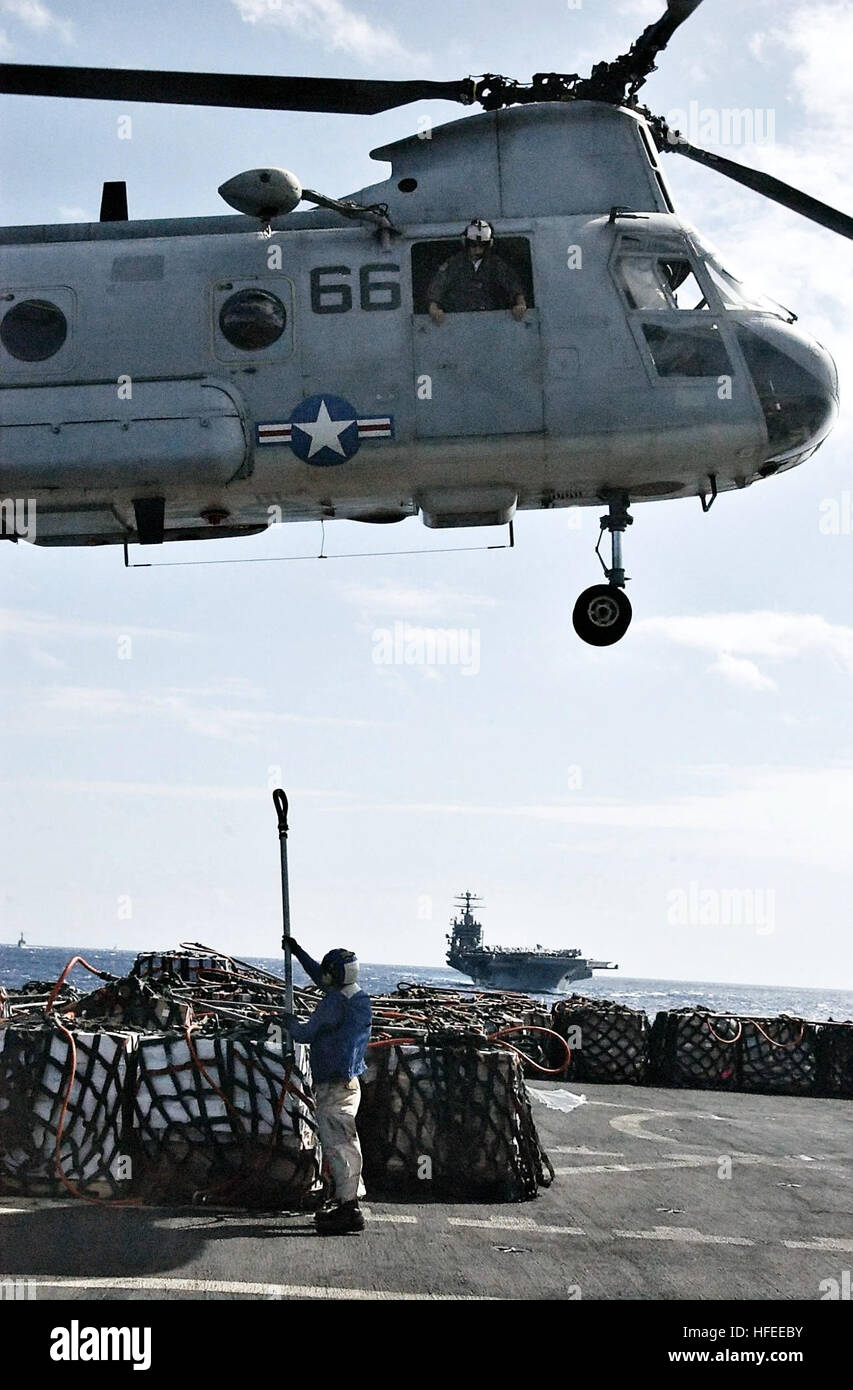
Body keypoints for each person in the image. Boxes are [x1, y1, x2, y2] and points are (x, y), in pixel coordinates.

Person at [281, 938, 372, 1235]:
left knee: (339, 1147)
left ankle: (349, 1210)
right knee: (345, 1144)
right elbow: (322, 979)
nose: (324, 977)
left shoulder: (334, 1003)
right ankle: (347, 1200)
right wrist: (297, 952)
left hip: (334, 1087)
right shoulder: (356, 997)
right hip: (349, 1082)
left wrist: (287, 1021)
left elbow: (306, 1033)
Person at [427, 219, 528, 323]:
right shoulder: (454, 263)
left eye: (482, 246)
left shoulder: (495, 264)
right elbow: (439, 284)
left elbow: (512, 283)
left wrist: (520, 303)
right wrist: (434, 307)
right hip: (460, 318)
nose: (477, 250)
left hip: (491, 319)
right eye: (473, 245)